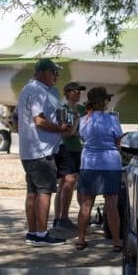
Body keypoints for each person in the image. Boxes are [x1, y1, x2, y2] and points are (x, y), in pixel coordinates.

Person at [16, 58, 71, 246]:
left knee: (32, 192)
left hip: (29, 151)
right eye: (54, 72)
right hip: (41, 151)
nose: (56, 76)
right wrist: (59, 128)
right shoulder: (38, 91)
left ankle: (32, 233)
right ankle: (41, 234)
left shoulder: (27, 89)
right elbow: (39, 120)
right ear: (43, 72)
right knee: (45, 192)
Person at [74, 86, 123, 251]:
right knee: (111, 206)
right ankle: (116, 242)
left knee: (86, 205)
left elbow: (82, 137)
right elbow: (118, 142)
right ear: (103, 102)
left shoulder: (83, 120)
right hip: (110, 164)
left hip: (89, 164)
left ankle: (80, 239)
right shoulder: (112, 119)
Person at [53, 81, 86, 232]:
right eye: (74, 91)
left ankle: (79, 217)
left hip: (79, 149)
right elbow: (66, 133)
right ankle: (59, 218)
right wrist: (77, 122)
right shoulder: (63, 109)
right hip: (66, 148)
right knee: (65, 183)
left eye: (79, 91)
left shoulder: (81, 109)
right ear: (67, 93)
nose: (78, 93)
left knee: (73, 184)